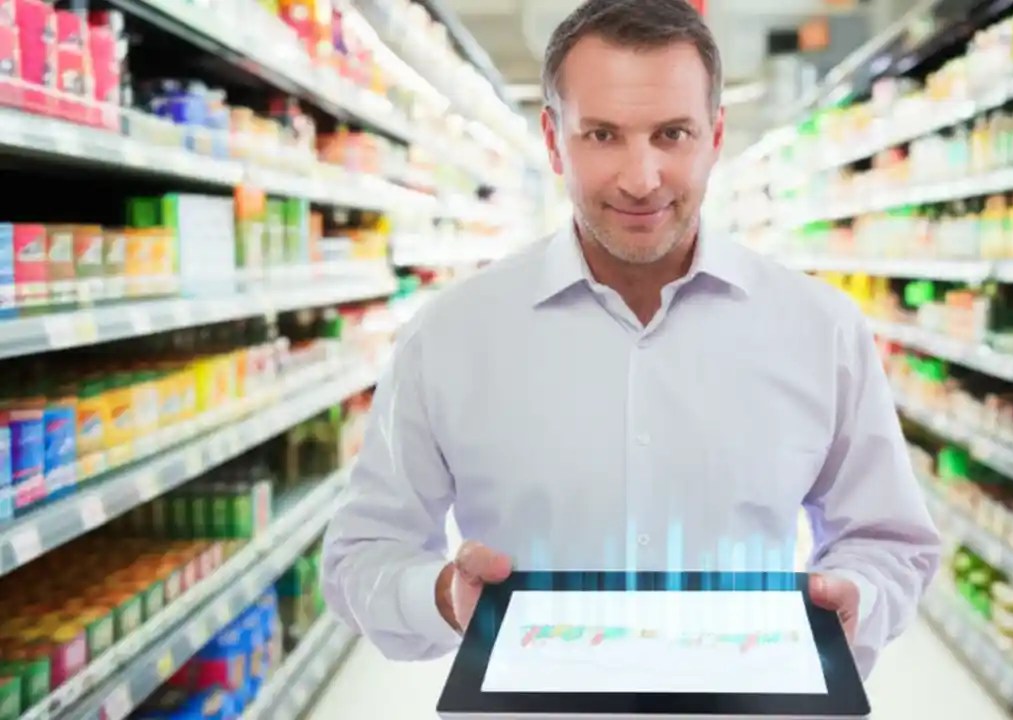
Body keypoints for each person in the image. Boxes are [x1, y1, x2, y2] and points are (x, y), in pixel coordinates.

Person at [321, 0, 940, 678]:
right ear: (554, 140)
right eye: (603, 135)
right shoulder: (450, 337)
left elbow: (888, 540)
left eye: (672, 134)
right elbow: (362, 555)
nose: (641, 180)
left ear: (715, 135)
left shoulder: (821, 331)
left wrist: (860, 595)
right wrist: (443, 595)